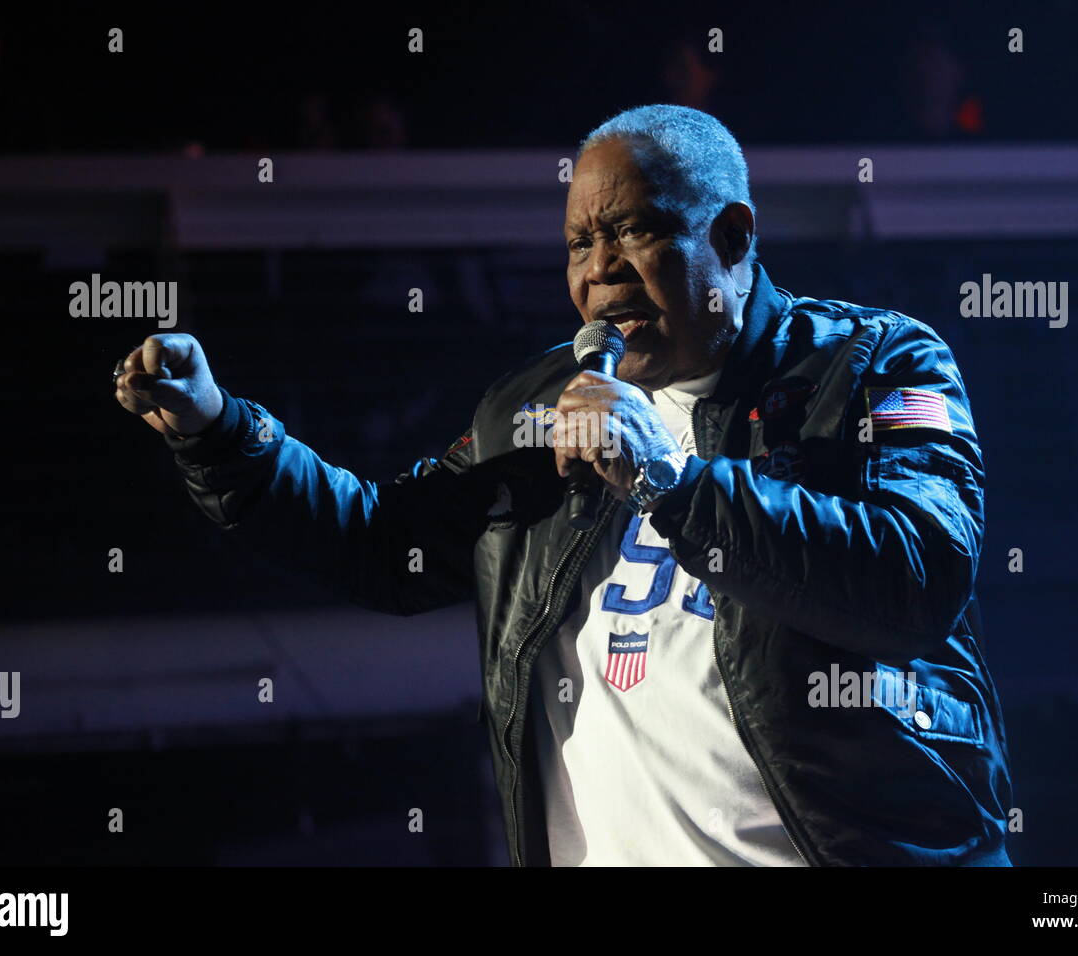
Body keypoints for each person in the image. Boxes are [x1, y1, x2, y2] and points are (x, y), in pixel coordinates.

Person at [113, 104, 1013, 866]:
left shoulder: (875, 366)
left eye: (637, 229)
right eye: (580, 241)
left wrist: (669, 482)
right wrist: (221, 432)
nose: (600, 269)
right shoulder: (534, 407)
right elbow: (386, 547)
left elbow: (918, 575)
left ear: (733, 238)